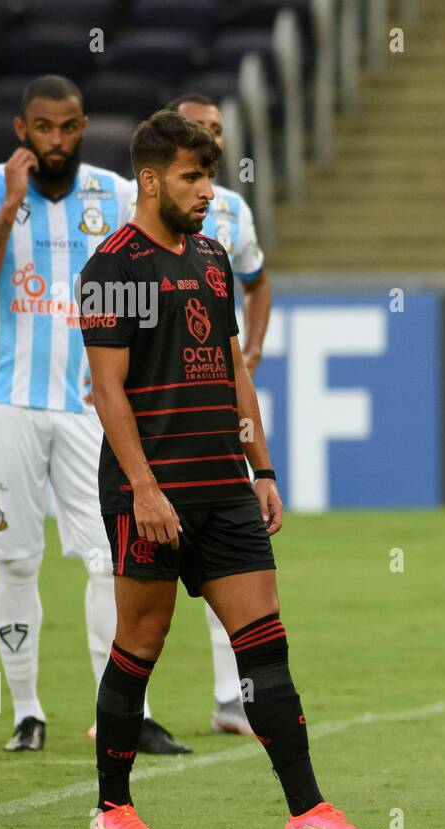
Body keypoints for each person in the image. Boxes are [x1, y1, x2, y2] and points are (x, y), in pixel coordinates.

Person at [80, 109, 379, 829]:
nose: (207, 190)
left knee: (265, 646)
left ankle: (308, 810)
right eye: (192, 176)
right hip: (149, 491)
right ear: (150, 181)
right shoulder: (112, 268)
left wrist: (264, 468)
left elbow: (237, 377)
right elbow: (108, 391)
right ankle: (113, 807)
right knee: (139, 645)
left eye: (209, 175)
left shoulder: (212, 258)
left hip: (223, 486)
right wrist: (145, 488)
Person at [0, 75, 186, 754]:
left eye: (69, 126)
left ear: (83, 127)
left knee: (107, 559)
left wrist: (134, 370)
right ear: (22, 129)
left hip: (91, 408)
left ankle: (118, 713)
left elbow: (146, 282)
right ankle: (27, 712)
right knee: (18, 563)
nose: (57, 139)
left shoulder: (113, 196)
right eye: (43, 127)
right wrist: (11, 207)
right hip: (7, 404)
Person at [166, 91, 273, 737]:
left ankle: (236, 699)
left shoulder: (229, 214)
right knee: (126, 574)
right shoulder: (129, 219)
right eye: (195, 130)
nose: (209, 137)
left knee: (229, 556)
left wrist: (249, 350)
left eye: (216, 131)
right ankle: (127, 713)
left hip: (212, 412)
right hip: (153, 418)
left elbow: (257, 279)